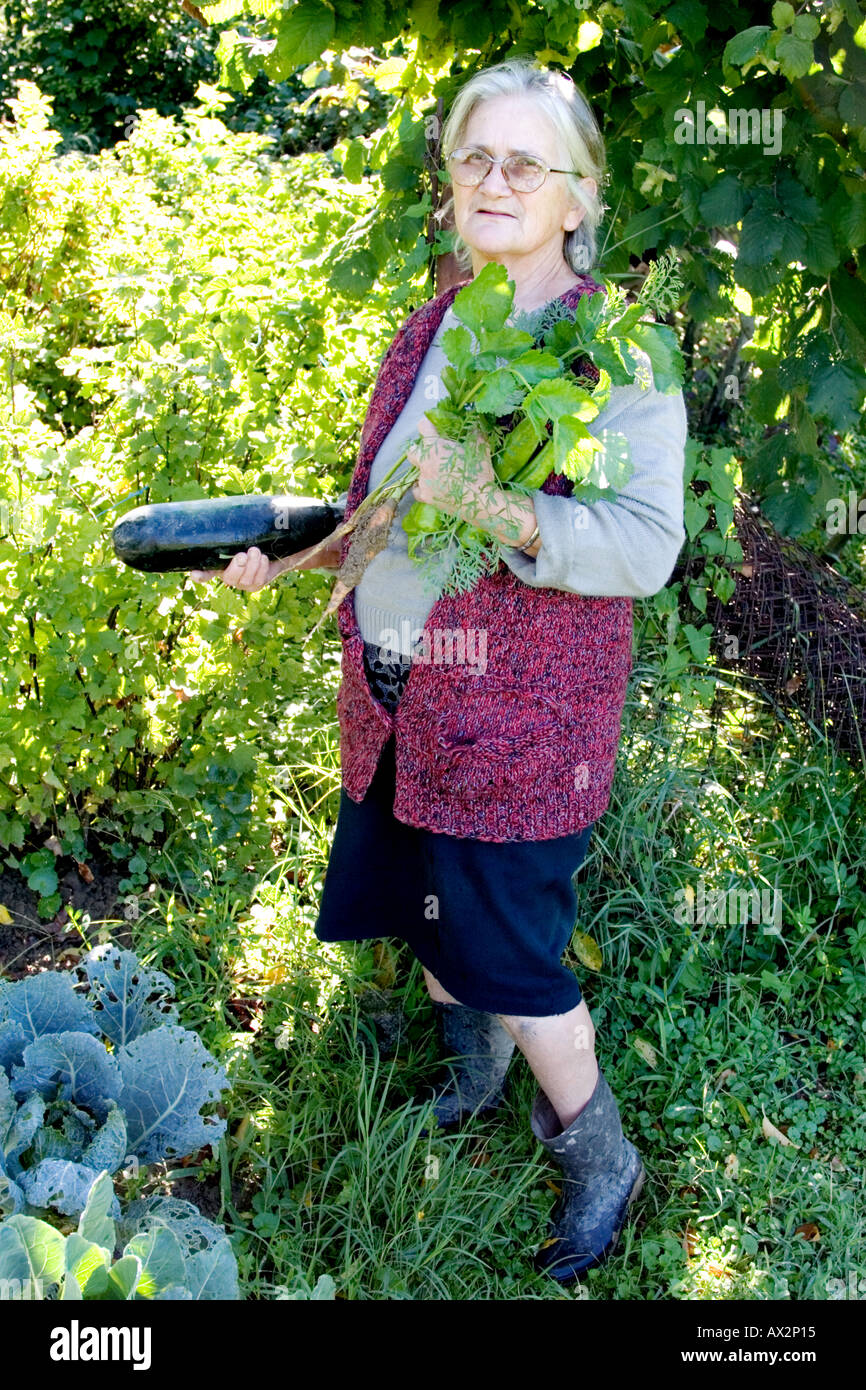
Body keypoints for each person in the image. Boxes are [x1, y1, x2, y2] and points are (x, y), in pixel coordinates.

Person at [191, 58, 687, 1286]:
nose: (495, 179)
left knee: (511, 944)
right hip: (403, 693)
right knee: (420, 885)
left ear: (578, 196)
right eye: (474, 157)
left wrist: (510, 512)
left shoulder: (617, 353)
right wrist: (297, 561)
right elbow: (383, 512)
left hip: (522, 718)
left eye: (527, 162)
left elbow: (643, 547)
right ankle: (472, 1066)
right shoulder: (436, 325)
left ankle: (597, 1157)